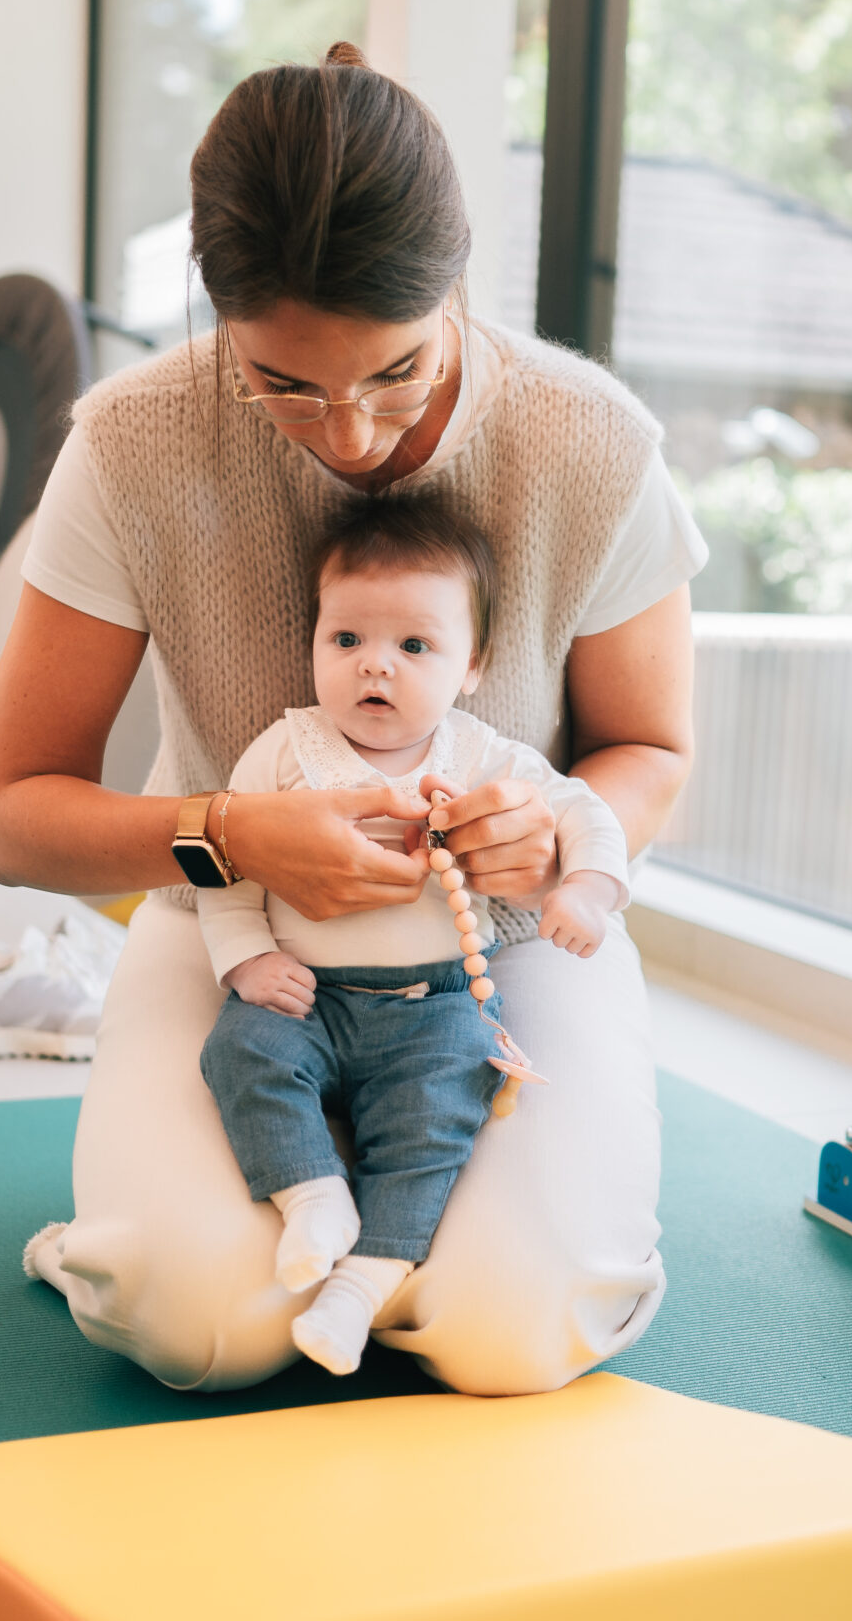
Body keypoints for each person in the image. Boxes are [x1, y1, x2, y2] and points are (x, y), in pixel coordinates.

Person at [0, 40, 705, 1396]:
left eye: (396, 371)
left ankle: (433, 1208)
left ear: (458, 280)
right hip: (239, 936)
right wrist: (231, 837)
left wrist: (551, 846)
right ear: (219, 314)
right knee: (195, 1321)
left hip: (500, 938)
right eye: (286, 382)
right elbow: (14, 816)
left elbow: (649, 748)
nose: (351, 434)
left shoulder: (589, 443)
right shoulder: (132, 444)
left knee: (516, 1329)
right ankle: (190, 1212)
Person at [198, 490, 628, 1377]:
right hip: (307, 994)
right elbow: (222, 864)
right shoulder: (284, 753)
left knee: (437, 1121)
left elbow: (585, 809)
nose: (374, 669)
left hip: (436, 1003)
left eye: (414, 646)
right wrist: (248, 959)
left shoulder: (478, 756)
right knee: (242, 1053)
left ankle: (358, 1290)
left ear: (473, 664)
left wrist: (585, 886)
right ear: (314, 640)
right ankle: (312, 1194)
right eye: (346, 640)